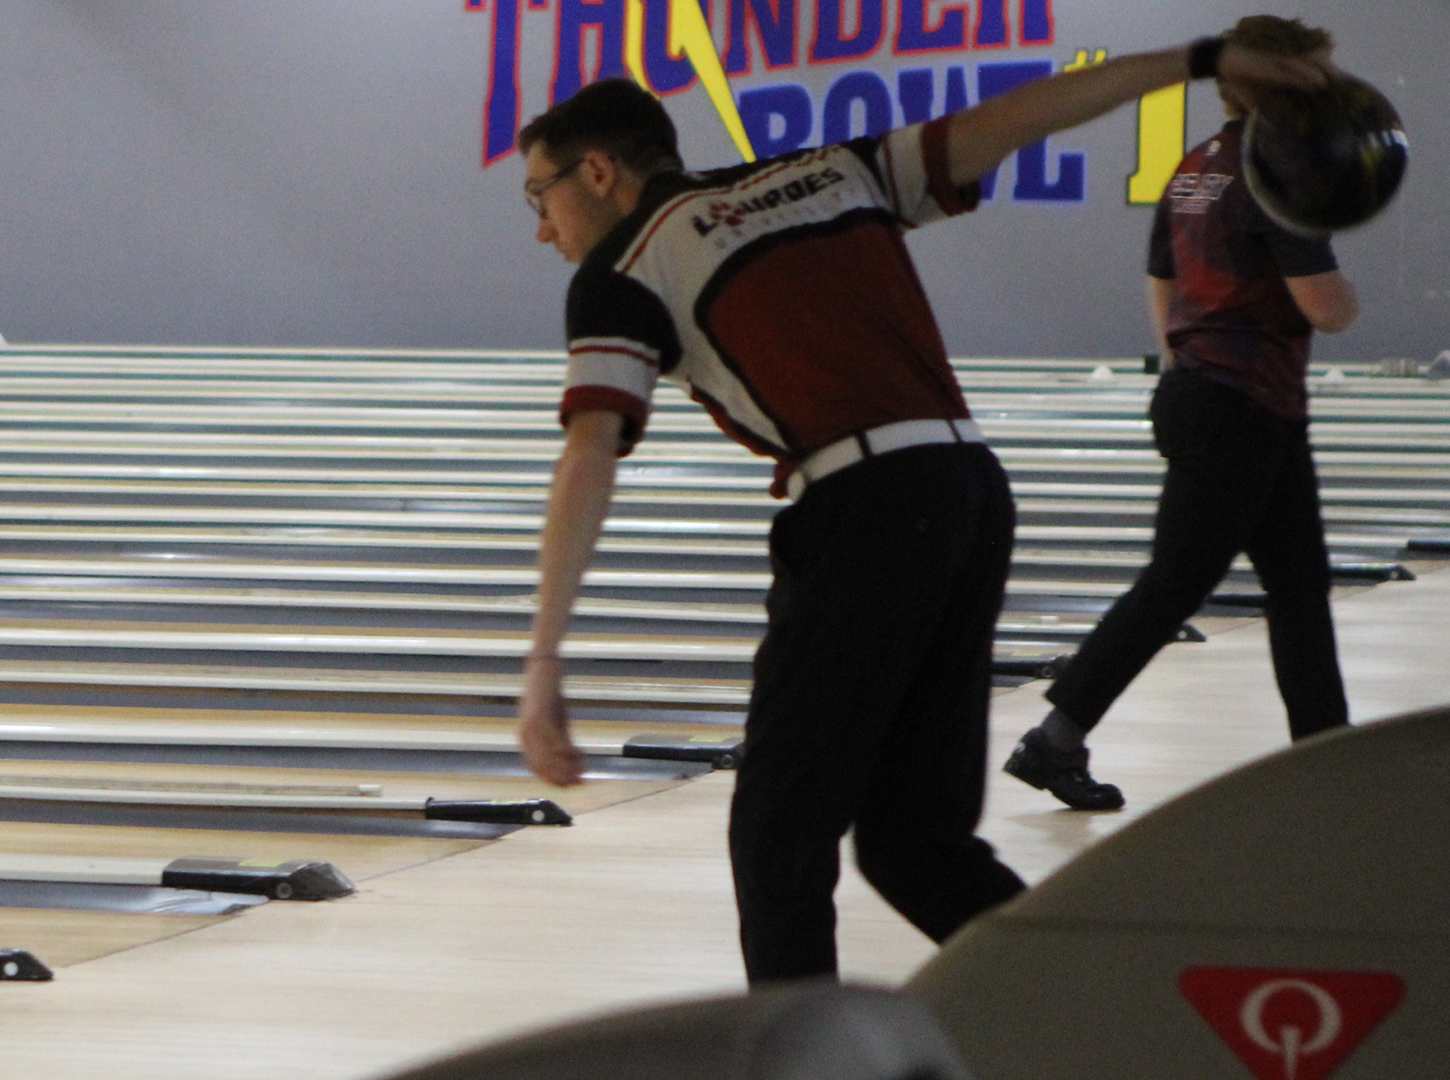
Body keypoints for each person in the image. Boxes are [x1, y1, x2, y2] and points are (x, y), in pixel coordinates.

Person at [513, 37, 1330, 983]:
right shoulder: (829, 172)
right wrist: (1200, 57)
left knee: (778, 835)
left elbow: (590, 447)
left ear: (599, 170)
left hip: (866, 509)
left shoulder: (623, 269)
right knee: (912, 843)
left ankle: (807, 1053)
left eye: (540, 198)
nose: (542, 229)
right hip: (969, 491)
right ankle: (1115, 1014)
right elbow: (1025, 115)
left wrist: (543, 655)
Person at [1004, 15, 1359, 813]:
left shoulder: (1198, 165)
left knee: (1299, 584)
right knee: (1175, 583)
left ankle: (1330, 754)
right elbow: (1325, 307)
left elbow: (1161, 277)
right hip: (1242, 405)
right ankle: (1053, 741)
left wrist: (1189, 360)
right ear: (1284, 80)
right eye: (1319, 70)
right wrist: (1347, 298)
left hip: (1218, 395)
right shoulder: (1280, 172)